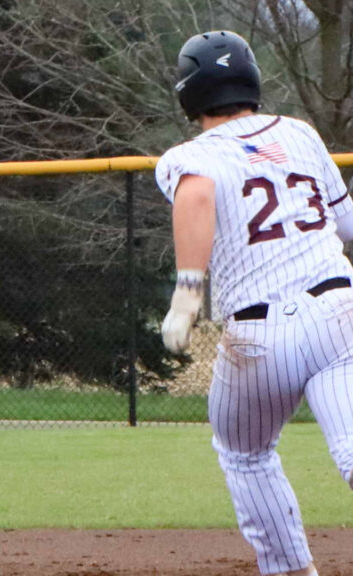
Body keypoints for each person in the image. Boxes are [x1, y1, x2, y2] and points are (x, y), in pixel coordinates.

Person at [156, 30, 353, 576]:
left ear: (189, 93)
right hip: (339, 314)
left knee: (246, 453)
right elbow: (346, 222)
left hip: (257, 338)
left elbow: (196, 194)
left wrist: (187, 294)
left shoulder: (191, 154)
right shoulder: (300, 133)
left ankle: (290, 570)